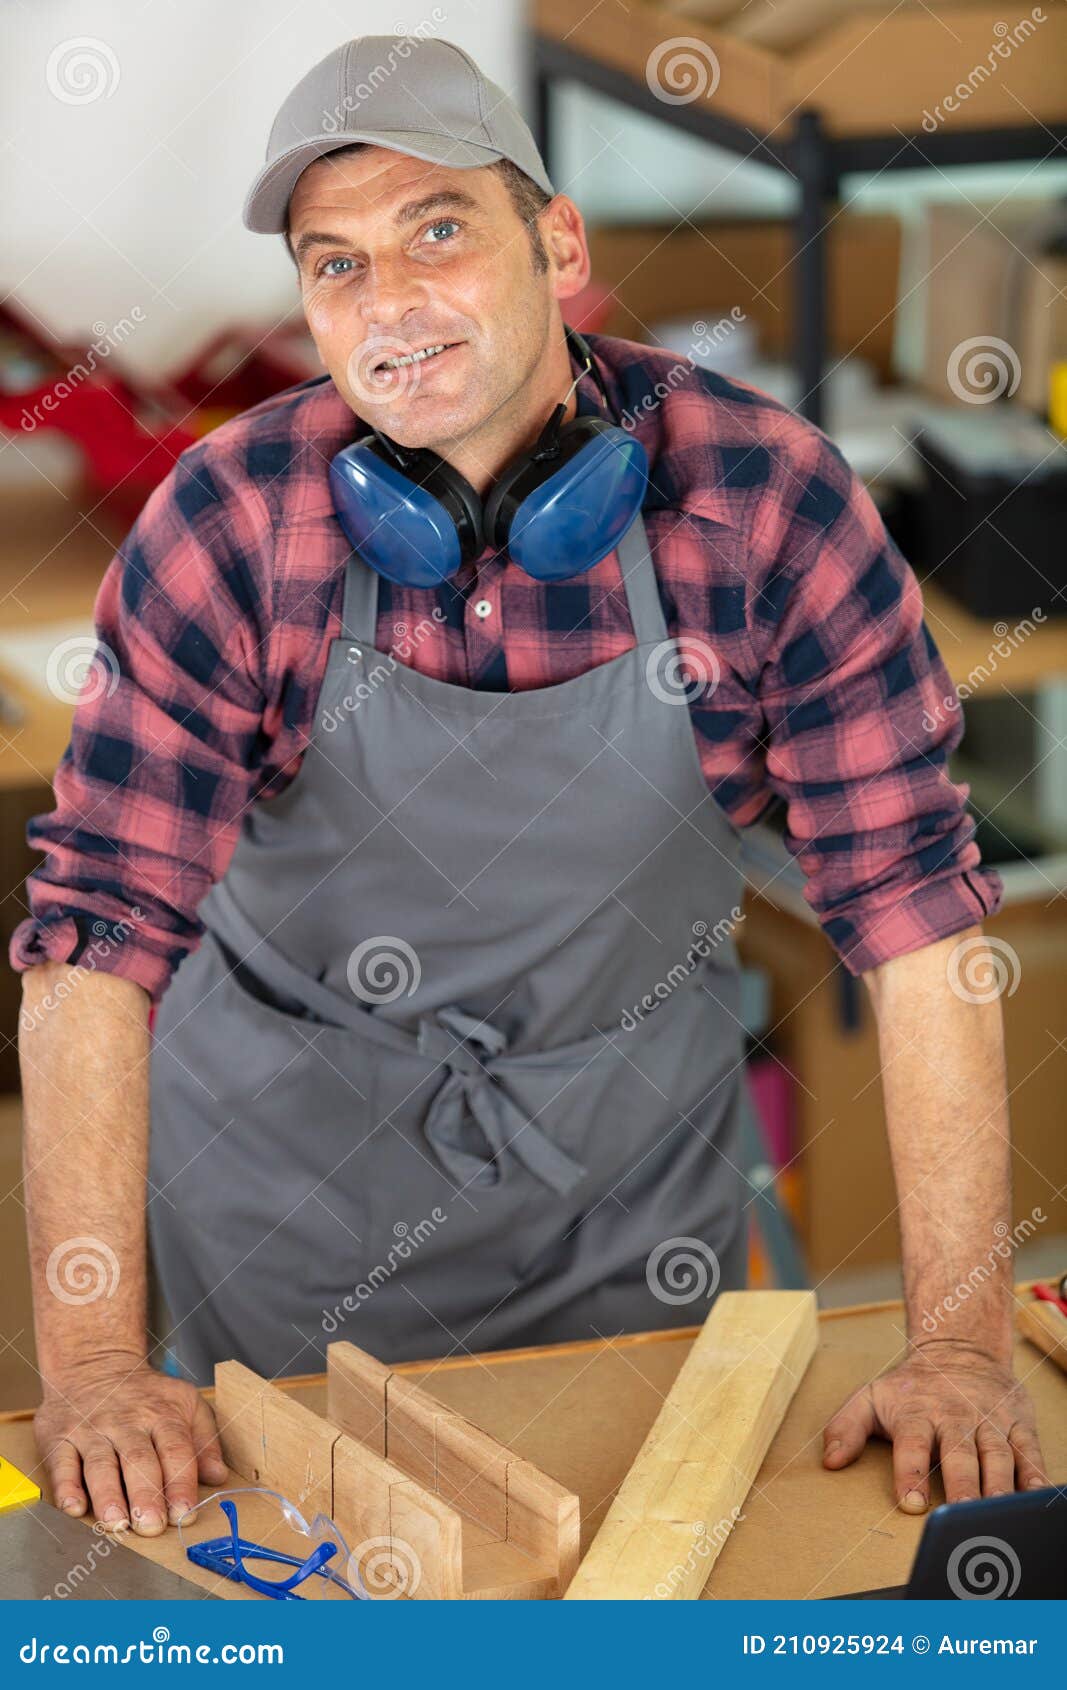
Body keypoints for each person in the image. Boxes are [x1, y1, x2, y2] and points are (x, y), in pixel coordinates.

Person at [14, 35, 1044, 1539]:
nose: (392, 305)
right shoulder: (232, 524)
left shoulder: (766, 503)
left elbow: (919, 921)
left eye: (438, 229)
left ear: (558, 244)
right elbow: (92, 947)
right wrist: (96, 1363)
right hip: (291, 1215)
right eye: (338, 265)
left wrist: (958, 1342)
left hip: (636, 1211)